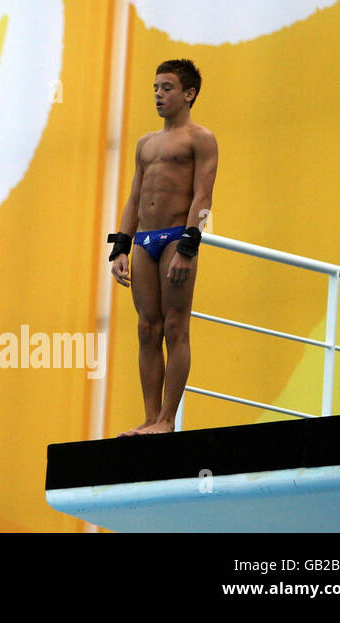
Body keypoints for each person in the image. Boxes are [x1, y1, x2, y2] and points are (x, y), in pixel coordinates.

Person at [107, 59, 217, 435]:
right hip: (144, 241)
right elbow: (135, 197)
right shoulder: (146, 143)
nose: (158, 94)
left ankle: (168, 420)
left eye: (167, 87)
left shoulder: (200, 138)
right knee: (146, 329)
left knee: (174, 326)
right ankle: (150, 418)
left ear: (189, 94)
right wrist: (120, 245)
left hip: (175, 238)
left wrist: (189, 244)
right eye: (155, 87)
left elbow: (203, 195)